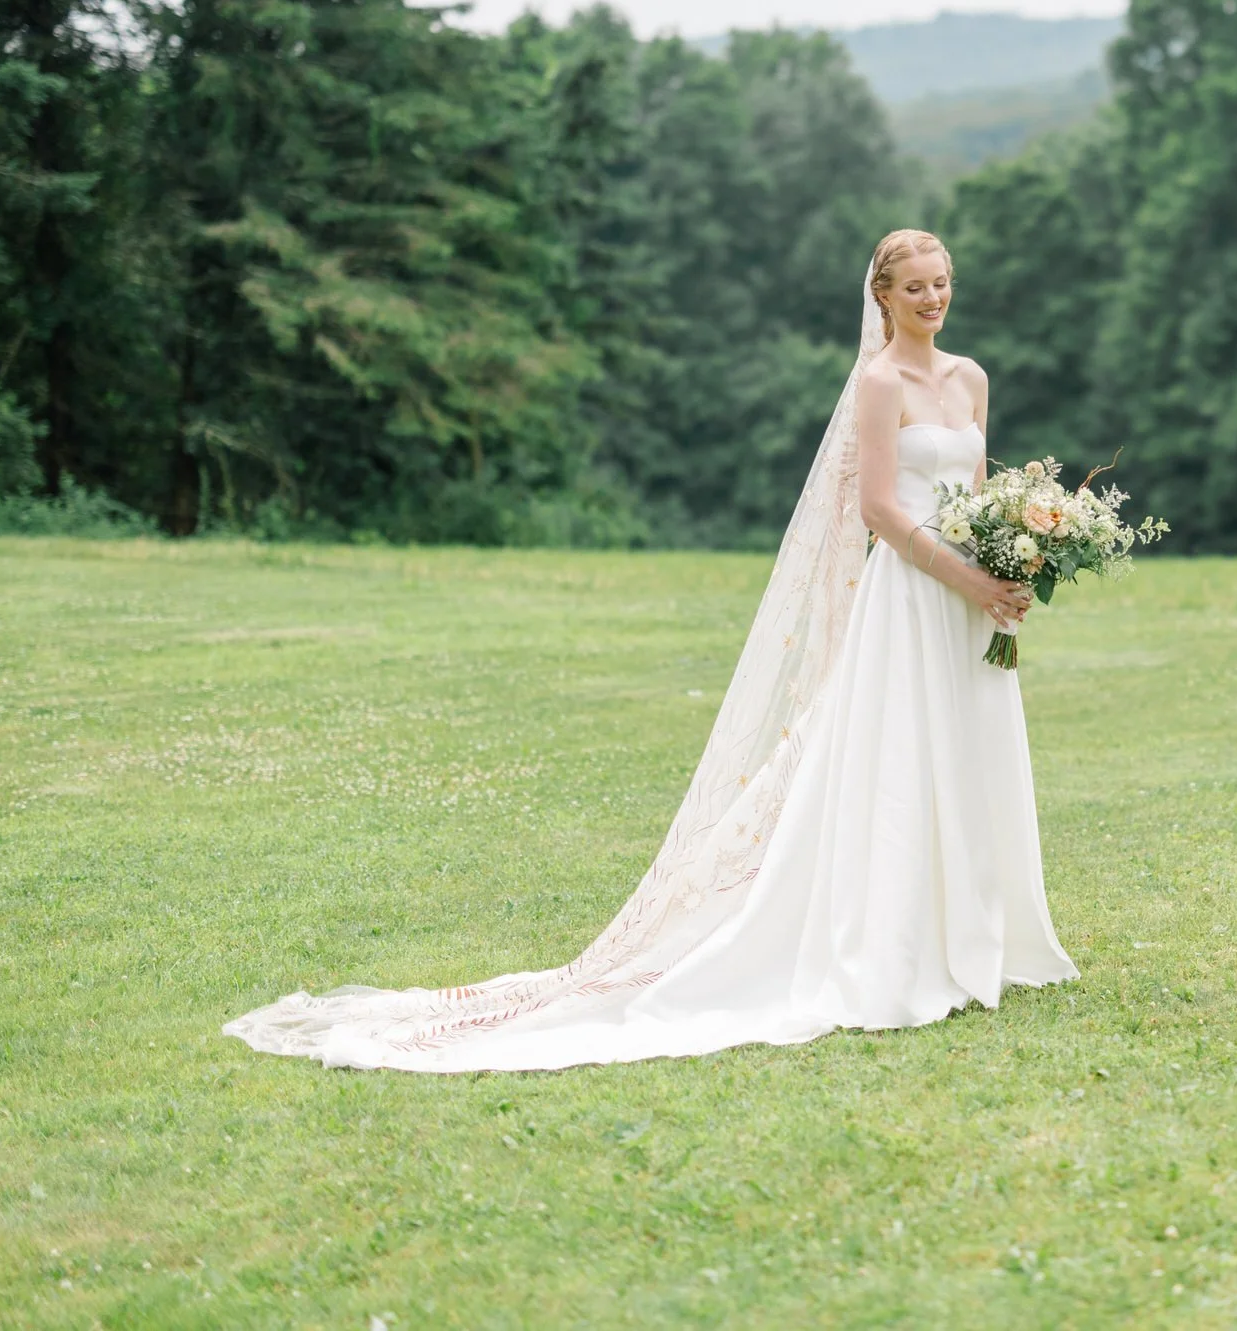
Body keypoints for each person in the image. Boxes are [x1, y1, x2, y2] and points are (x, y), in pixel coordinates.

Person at [224, 229, 1080, 1070]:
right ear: (883, 297)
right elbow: (883, 512)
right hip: (911, 597)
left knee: (968, 753)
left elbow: (976, 499)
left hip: (971, 602)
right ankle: (896, 949)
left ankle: (976, 938)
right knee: (903, 760)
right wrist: (961, 579)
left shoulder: (971, 378)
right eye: (916, 286)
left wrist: (1008, 566)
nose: (934, 298)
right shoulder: (880, 381)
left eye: (943, 282)